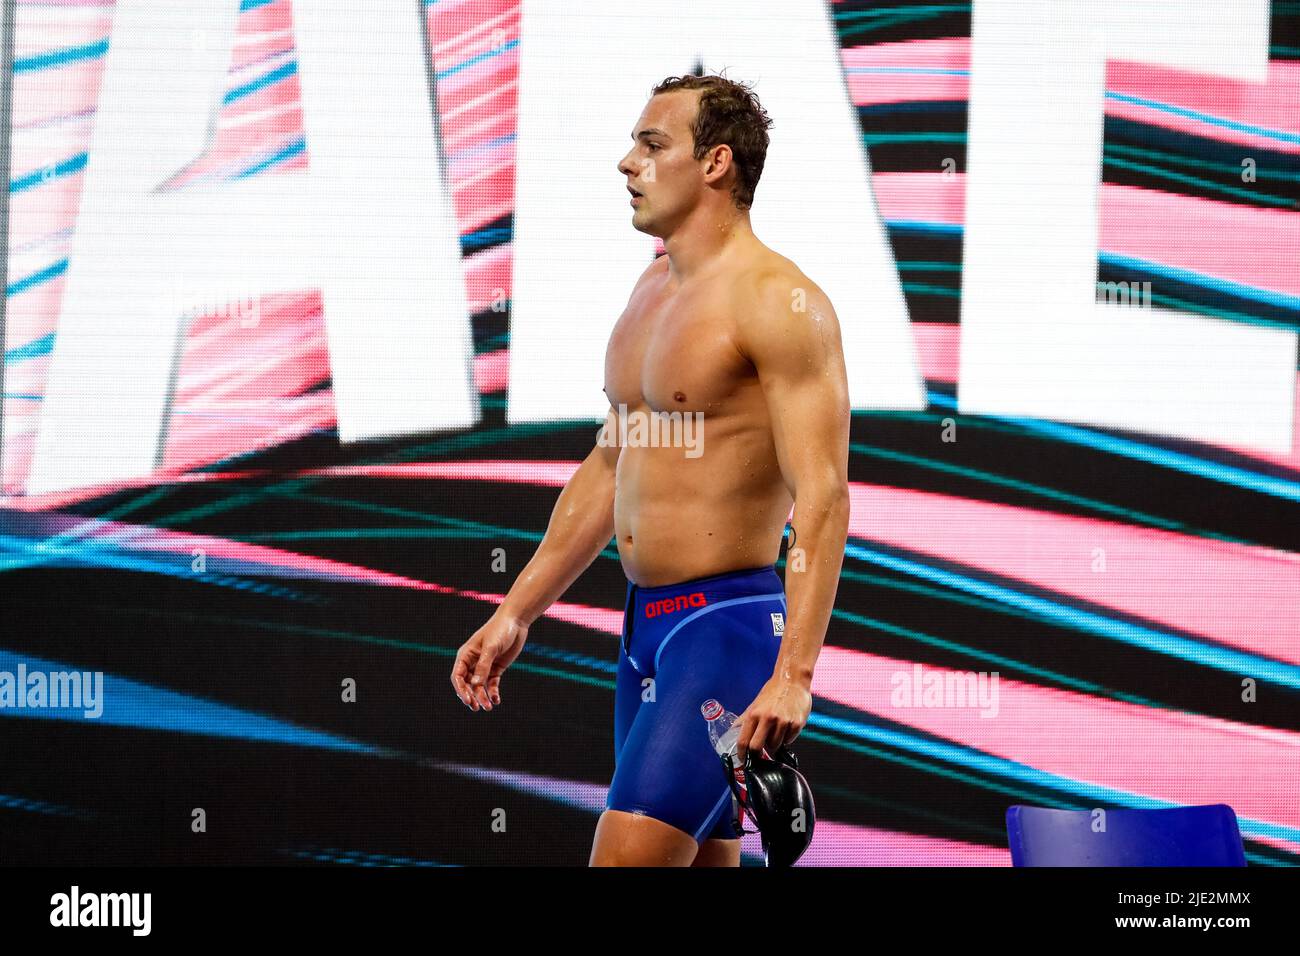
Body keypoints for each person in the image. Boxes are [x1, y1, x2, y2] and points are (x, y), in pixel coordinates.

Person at [451, 72, 850, 867]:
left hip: (725, 631)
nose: (627, 163)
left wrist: (795, 672)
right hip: (644, 634)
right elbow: (610, 466)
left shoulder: (779, 302)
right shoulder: (649, 291)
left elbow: (824, 496)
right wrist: (518, 611)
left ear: (716, 164)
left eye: (652, 144)